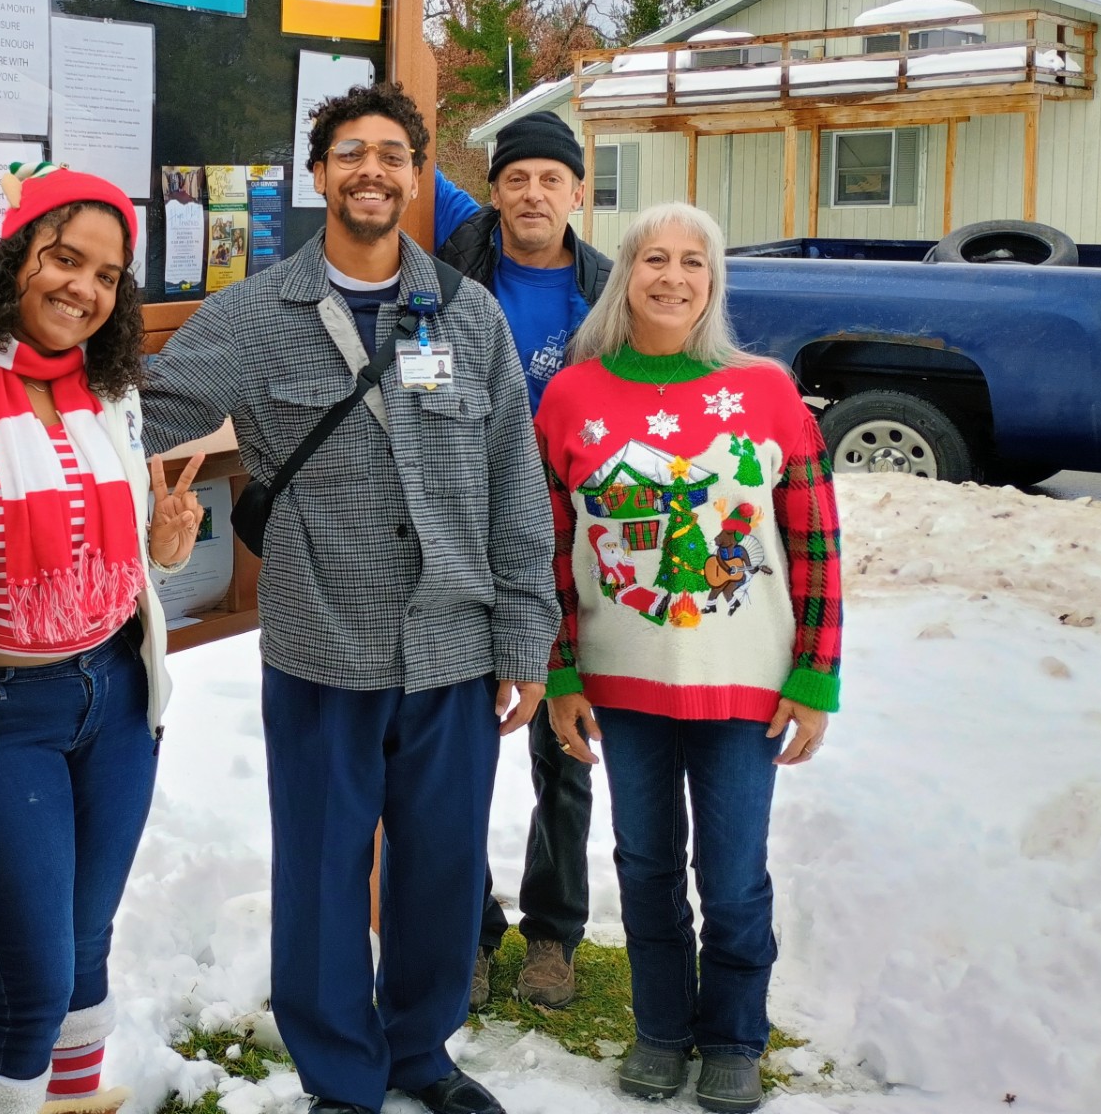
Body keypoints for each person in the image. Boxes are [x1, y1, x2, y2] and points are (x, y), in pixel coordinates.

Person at [141, 83, 557, 1114]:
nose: (371, 170)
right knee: (323, 877)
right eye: (350, 153)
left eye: (392, 155)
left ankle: (421, 1054)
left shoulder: (469, 316)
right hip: (325, 642)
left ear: (417, 177)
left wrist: (527, 632)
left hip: (455, 642)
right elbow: (142, 413)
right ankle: (339, 1076)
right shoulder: (250, 316)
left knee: (442, 870)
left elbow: (514, 475)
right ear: (319, 175)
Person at [0, 164, 205, 1114]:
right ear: (15, 255)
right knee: (26, 983)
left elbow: (69, 550)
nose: (84, 288)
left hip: (111, 699)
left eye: (107, 275)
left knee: (81, 955)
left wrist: (155, 551)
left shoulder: (105, 383)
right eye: (64, 259)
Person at [537, 202, 841, 1113]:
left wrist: (815, 674)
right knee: (644, 864)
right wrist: (559, 673)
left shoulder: (766, 392)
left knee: (735, 874)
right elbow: (551, 548)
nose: (673, 278)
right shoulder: (571, 397)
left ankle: (734, 1036)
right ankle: (662, 1029)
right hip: (620, 682)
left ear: (714, 284)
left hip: (745, 683)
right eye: (654, 260)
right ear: (624, 274)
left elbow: (816, 542)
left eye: (694, 263)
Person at [433, 109, 612, 1012]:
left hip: (571, 546)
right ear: (494, 189)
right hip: (462, 539)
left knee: (565, 750)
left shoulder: (608, 294)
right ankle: (465, 929)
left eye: (552, 178)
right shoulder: (453, 264)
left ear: (579, 192)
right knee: (457, 752)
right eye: (517, 178)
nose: (533, 193)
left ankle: (555, 932)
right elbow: (381, 146)